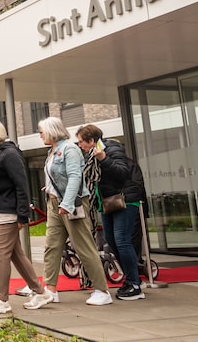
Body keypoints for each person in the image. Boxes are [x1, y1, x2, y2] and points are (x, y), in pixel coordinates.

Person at [0, 119, 49, 315]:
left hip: (8, 210)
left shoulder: (9, 154)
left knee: (0, 253)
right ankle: (40, 292)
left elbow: (21, 186)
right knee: (15, 254)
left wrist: (22, 215)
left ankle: (1, 299)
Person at [35, 116, 112, 307]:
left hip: (72, 203)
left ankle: (102, 290)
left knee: (83, 246)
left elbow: (75, 177)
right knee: (52, 246)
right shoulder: (53, 151)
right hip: (55, 203)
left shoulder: (69, 149)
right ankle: (50, 290)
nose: (40, 135)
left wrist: (67, 203)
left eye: (42, 131)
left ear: (52, 131)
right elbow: (60, 176)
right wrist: (51, 189)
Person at [76, 124, 147, 300]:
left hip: (124, 199)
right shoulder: (90, 155)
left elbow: (122, 173)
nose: (80, 145)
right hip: (107, 201)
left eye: (81, 142)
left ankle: (134, 285)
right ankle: (133, 278)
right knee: (112, 240)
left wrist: (104, 158)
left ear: (91, 140)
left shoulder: (111, 149)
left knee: (122, 240)